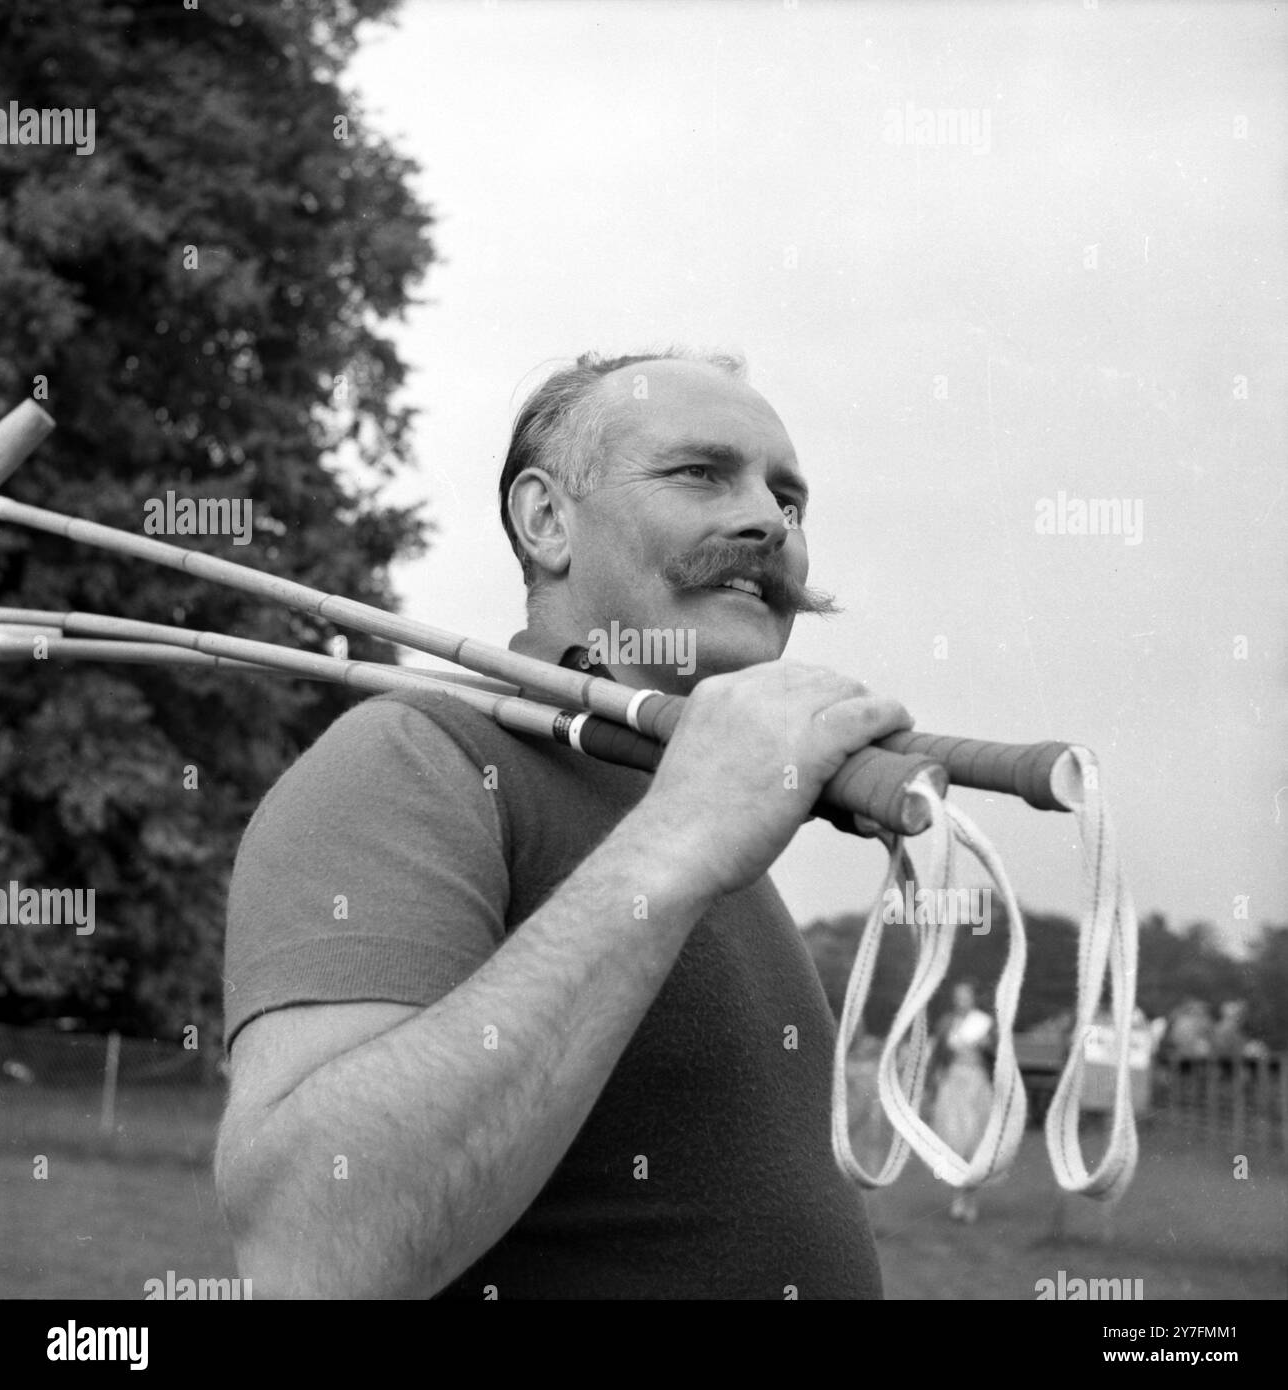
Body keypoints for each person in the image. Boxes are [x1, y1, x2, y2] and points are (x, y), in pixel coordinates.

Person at [213, 348, 914, 1299]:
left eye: (787, 500)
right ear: (546, 520)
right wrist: (680, 837)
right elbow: (309, 1249)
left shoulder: (699, 801)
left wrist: (693, 818)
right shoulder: (411, 758)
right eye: (701, 473)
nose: (767, 521)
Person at [928, 981, 994, 1223]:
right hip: (953, 1083)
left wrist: (987, 1046)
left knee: (974, 1143)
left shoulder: (983, 1023)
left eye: (965, 996)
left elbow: (996, 1055)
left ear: (973, 998)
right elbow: (937, 1055)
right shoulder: (947, 1023)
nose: (961, 1000)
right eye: (958, 996)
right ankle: (958, 1199)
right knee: (955, 1142)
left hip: (976, 1084)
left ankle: (971, 1200)